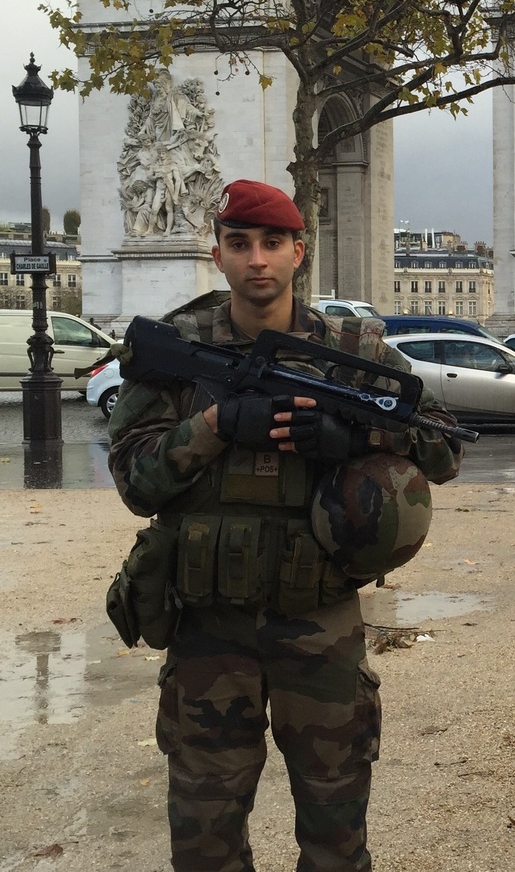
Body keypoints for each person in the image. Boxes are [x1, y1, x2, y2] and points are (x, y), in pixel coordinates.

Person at [107, 179, 464, 872]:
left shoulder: (353, 349)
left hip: (319, 620)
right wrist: (212, 426)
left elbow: (442, 446)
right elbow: (133, 479)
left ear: (300, 252)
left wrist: (351, 437)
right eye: (239, 244)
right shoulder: (176, 349)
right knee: (205, 835)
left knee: (336, 834)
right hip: (207, 627)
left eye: (272, 243)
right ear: (218, 255)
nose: (257, 260)